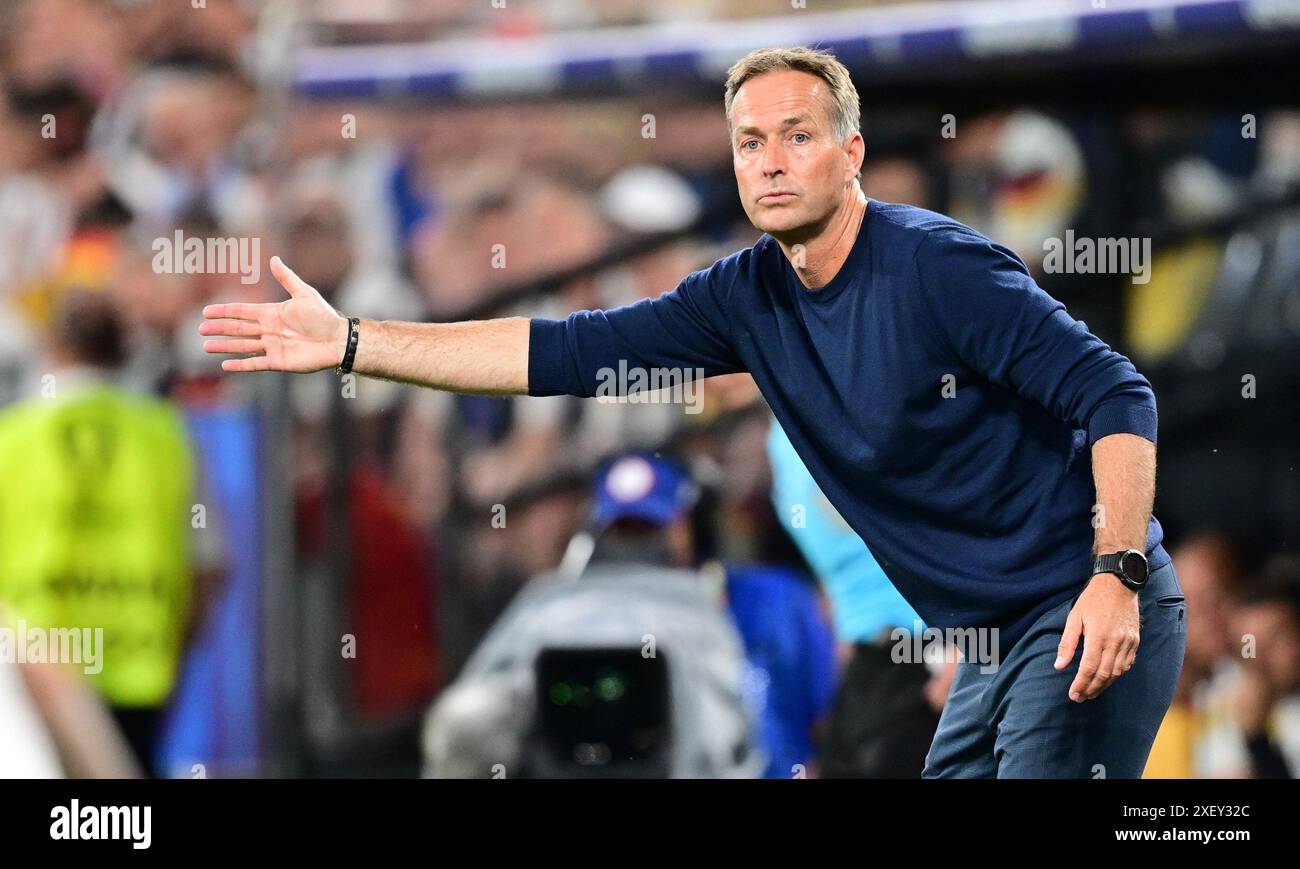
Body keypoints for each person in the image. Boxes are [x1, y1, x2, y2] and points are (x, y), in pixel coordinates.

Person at [201, 46, 1183, 777]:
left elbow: (1116, 394)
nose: (770, 161)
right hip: (987, 637)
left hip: (1080, 598)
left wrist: (1114, 572)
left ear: (850, 153)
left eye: (797, 137)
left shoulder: (937, 266)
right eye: (750, 142)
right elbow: (555, 352)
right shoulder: (742, 297)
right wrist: (357, 343)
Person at [0, 290, 200, 776]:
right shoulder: (164, 434)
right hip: (139, 666)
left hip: (32, 672)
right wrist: (174, 654)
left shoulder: (13, 435)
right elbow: (210, 568)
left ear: (55, 347)